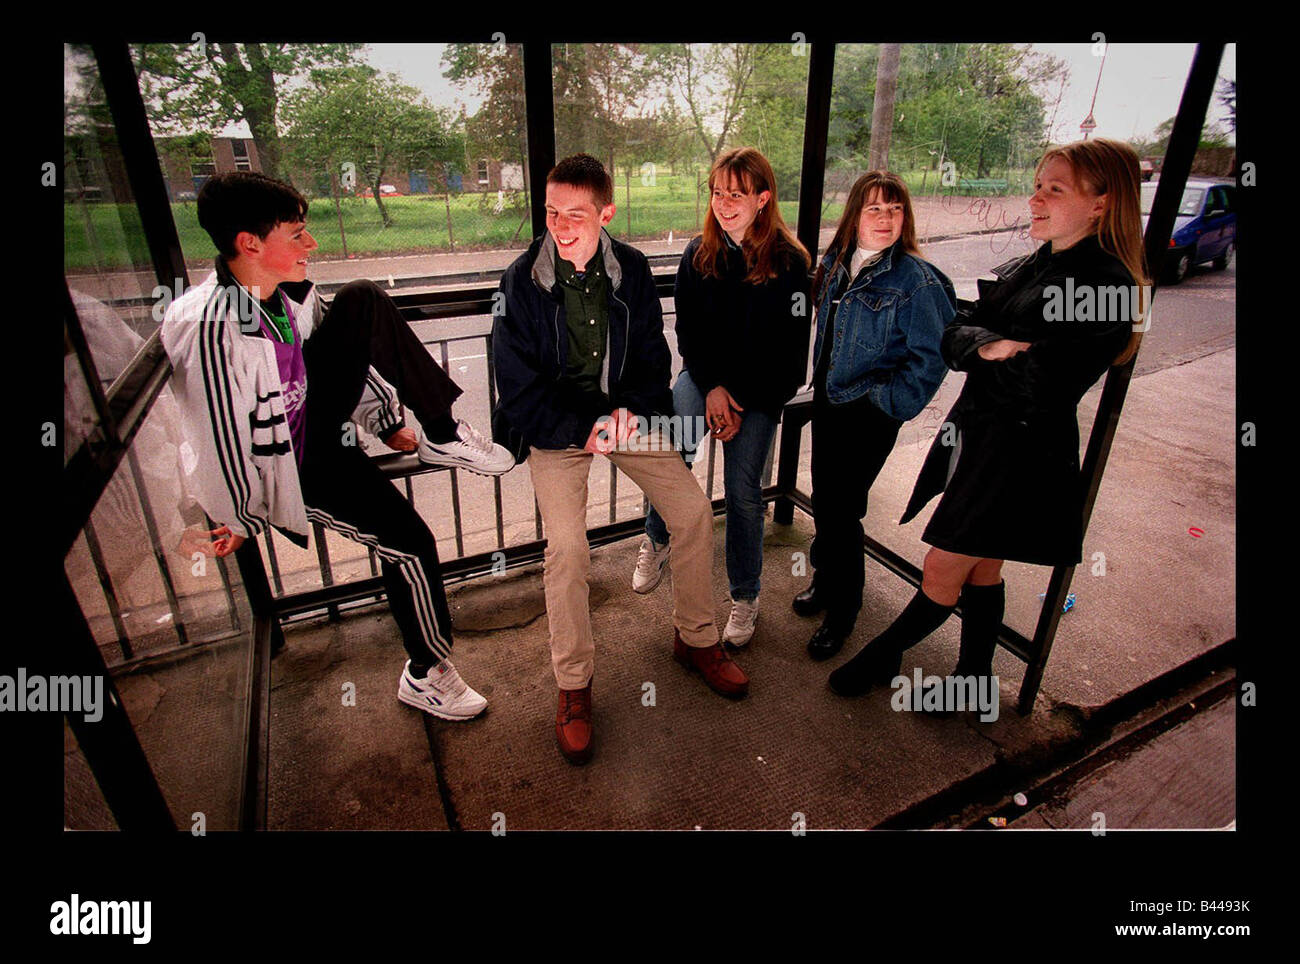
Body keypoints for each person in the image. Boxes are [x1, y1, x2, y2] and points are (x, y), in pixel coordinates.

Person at [161, 171, 514, 723]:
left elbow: (347, 356)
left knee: (364, 297)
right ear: (249, 243)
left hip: (318, 426)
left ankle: (443, 435)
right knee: (412, 544)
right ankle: (427, 674)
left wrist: (384, 419)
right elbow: (215, 437)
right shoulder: (210, 325)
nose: (312, 245)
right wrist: (243, 517)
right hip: (288, 464)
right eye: (297, 234)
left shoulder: (292, 293)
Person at [827, 138, 1149, 705]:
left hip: (1020, 454)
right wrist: (992, 345)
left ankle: (879, 657)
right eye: (1037, 184)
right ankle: (975, 680)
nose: (1035, 198)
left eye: (1055, 188)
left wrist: (991, 349)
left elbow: (1043, 382)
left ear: (1101, 202)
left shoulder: (1107, 284)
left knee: (942, 568)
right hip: (984, 438)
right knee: (982, 570)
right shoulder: (1038, 261)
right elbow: (958, 332)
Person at [491, 153, 749, 765]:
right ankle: (574, 685)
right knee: (569, 550)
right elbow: (516, 385)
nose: (559, 224)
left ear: (606, 213)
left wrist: (633, 408)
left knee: (689, 513)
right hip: (559, 431)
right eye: (552, 211)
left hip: (622, 418)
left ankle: (696, 639)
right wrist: (583, 431)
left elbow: (652, 353)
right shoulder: (521, 280)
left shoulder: (630, 267)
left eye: (575, 213)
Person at [633, 147, 811, 648]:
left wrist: (740, 400)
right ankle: (657, 535)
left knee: (742, 492)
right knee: (670, 448)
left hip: (760, 391)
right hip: (705, 378)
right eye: (717, 192)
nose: (725, 203)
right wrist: (713, 389)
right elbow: (688, 335)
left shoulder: (791, 263)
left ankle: (745, 595)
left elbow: (792, 360)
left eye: (737, 193)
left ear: (763, 198)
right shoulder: (697, 254)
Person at [791, 171, 956, 661]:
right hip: (829, 400)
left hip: (868, 411)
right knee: (827, 498)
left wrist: (889, 403)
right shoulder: (838, 262)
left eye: (895, 209)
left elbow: (933, 357)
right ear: (855, 215)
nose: (886, 219)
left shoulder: (916, 280)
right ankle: (825, 583)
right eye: (874, 209)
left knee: (844, 511)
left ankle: (844, 612)